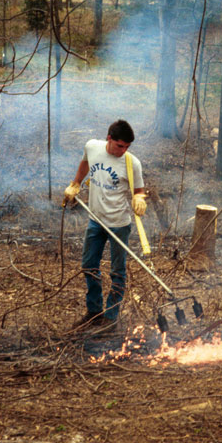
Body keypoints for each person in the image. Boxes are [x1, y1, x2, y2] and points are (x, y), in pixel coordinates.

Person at [62, 120, 147, 329]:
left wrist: (140, 199)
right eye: (120, 146)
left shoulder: (132, 163)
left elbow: (139, 190)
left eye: (127, 147)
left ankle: (110, 318)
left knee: (118, 272)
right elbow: (85, 163)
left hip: (119, 223)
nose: (123, 150)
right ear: (109, 138)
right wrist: (76, 183)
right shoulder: (92, 146)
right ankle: (94, 313)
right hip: (95, 220)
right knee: (89, 266)